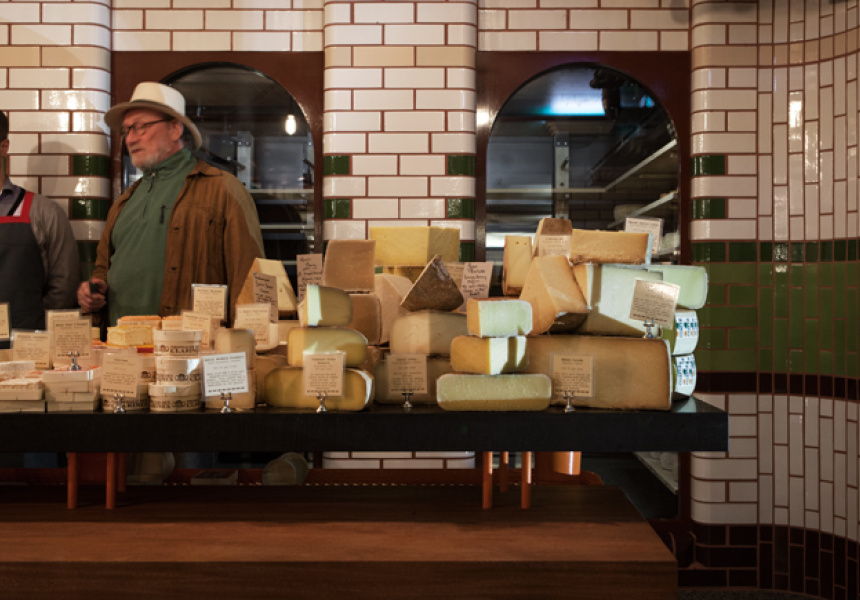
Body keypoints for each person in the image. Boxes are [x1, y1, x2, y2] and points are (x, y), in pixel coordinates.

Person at [77, 82, 264, 326]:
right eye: (126, 131)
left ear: (175, 129)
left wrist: (247, 348)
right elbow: (102, 269)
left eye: (140, 127)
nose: (130, 139)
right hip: (121, 350)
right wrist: (93, 290)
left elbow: (249, 278)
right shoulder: (125, 201)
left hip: (188, 353)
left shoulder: (223, 189)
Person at [0, 110, 79, 350]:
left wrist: (35, 330)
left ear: (3, 147)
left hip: (27, 354)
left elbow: (64, 287)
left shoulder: (44, 213)